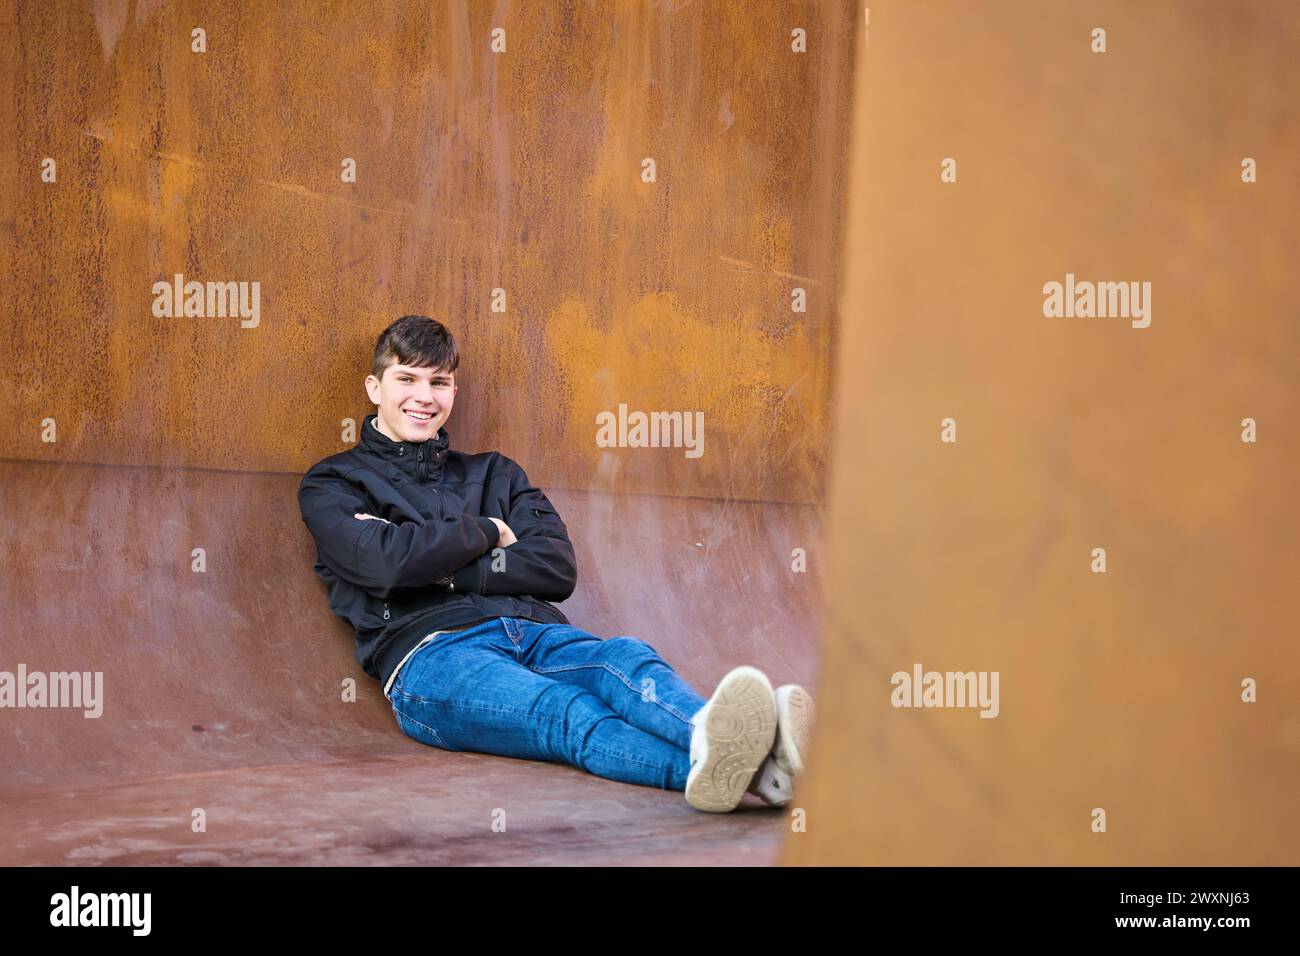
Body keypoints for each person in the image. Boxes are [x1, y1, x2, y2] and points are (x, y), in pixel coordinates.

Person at [297, 315, 814, 812]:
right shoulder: (334, 482)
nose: (424, 397)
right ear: (374, 388)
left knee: (625, 660)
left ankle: (719, 739)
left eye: (439, 382)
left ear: (453, 391)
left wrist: (437, 562)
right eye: (406, 378)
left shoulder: (495, 473)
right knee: (567, 713)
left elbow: (555, 568)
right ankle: (761, 767)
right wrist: (487, 531)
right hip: (433, 658)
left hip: (537, 632)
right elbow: (385, 566)